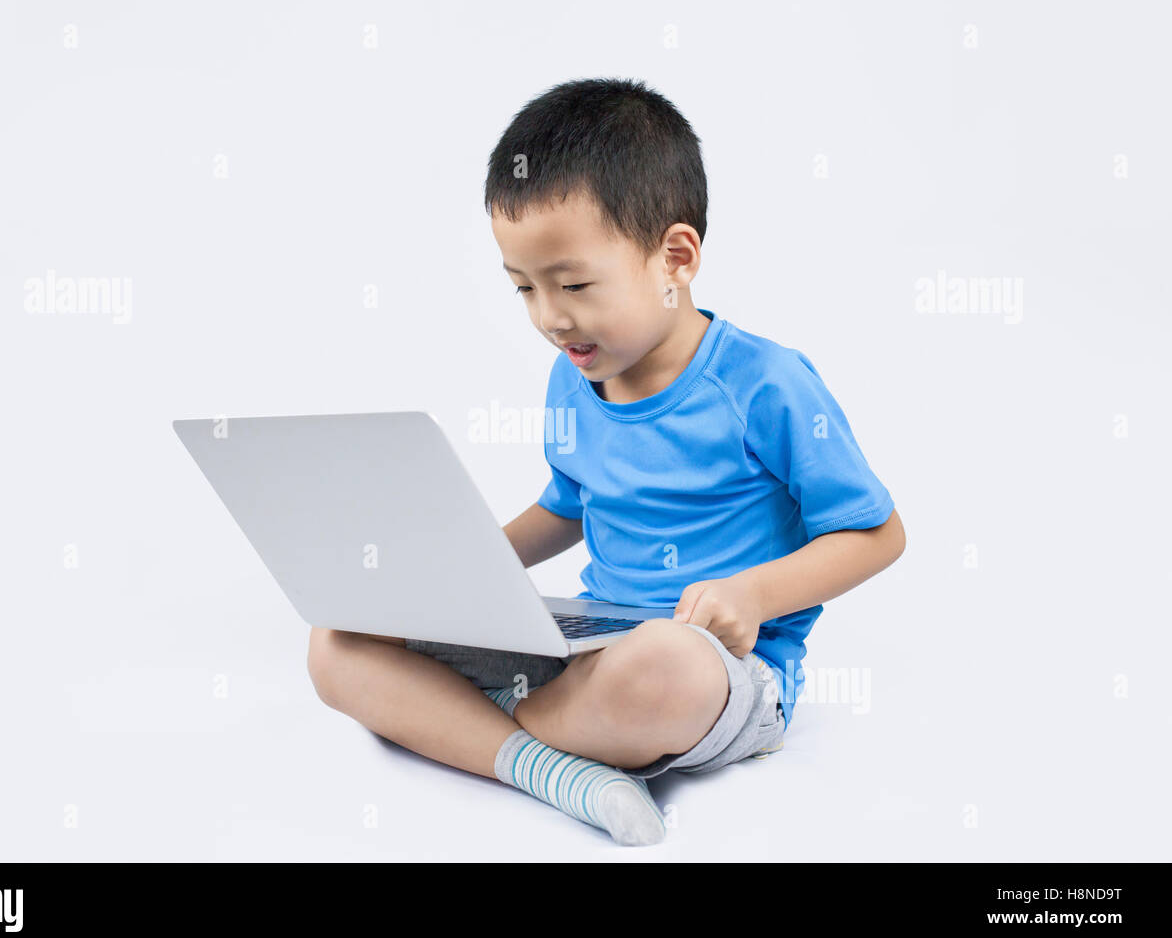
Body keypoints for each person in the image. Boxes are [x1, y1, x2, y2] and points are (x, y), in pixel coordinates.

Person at [308, 77, 906, 846]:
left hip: (717, 667)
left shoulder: (766, 384)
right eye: (524, 288)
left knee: (661, 666)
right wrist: (463, 567)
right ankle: (558, 767)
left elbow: (878, 534)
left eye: (575, 285)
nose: (551, 318)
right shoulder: (576, 374)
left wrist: (752, 593)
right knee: (338, 642)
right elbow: (569, 505)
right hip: (588, 645)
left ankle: (468, 728)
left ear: (675, 258)